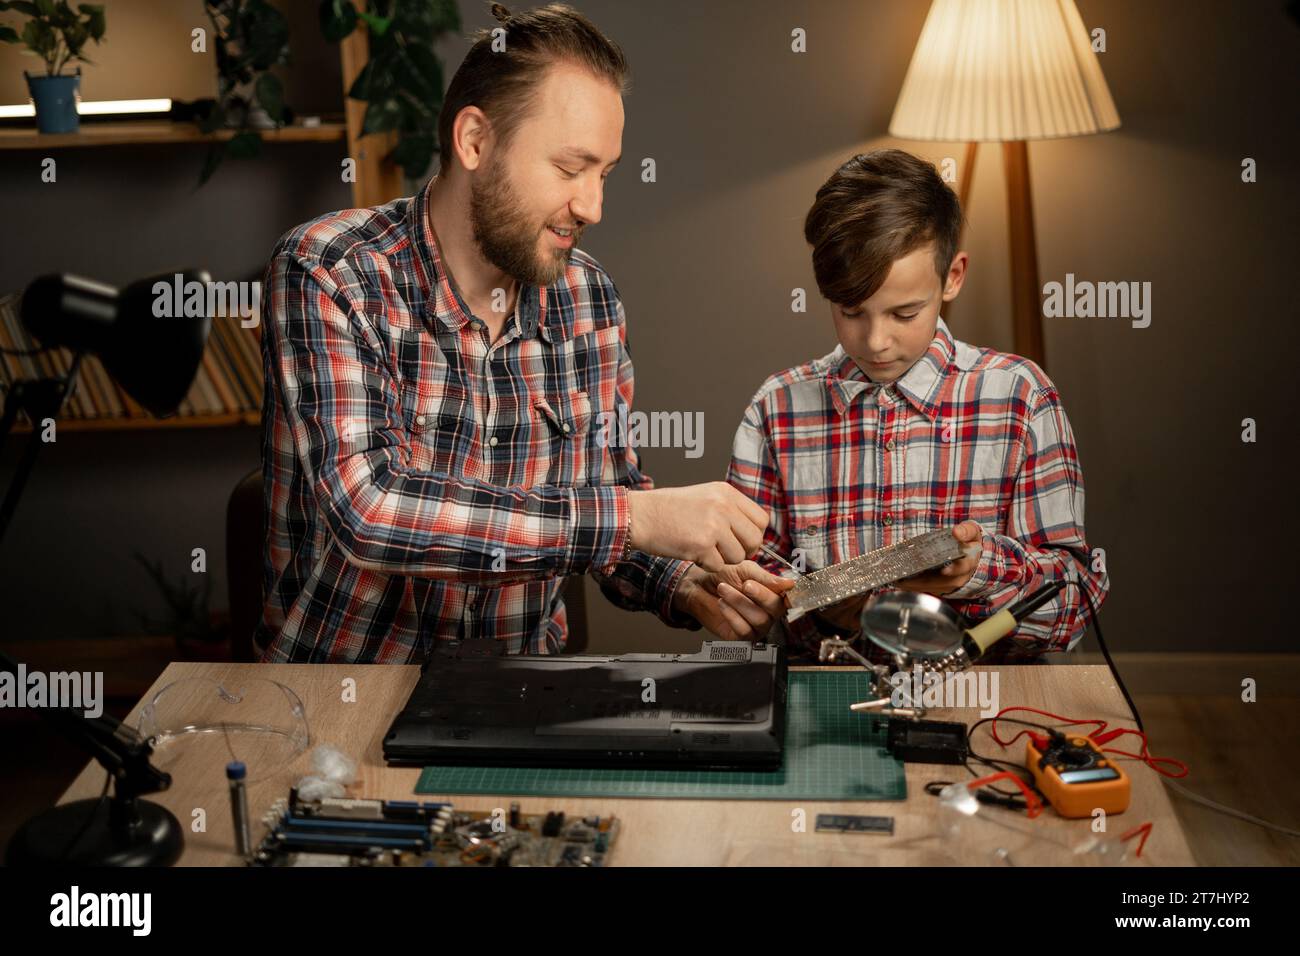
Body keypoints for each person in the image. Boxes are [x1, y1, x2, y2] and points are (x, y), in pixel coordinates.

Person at [256, 3, 791, 663]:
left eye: (605, 175)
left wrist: (690, 582)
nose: (592, 206)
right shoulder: (332, 272)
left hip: (522, 699)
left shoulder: (588, 298)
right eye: (571, 170)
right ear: (475, 141)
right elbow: (370, 511)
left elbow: (611, 508)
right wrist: (634, 519)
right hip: (343, 705)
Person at [727, 148, 1110, 664]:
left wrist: (976, 572)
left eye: (905, 312)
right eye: (851, 311)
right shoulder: (777, 409)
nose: (877, 340)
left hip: (986, 691)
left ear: (952, 277)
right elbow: (746, 589)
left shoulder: (1020, 398)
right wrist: (775, 600)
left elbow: (1073, 604)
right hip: (831, 687)